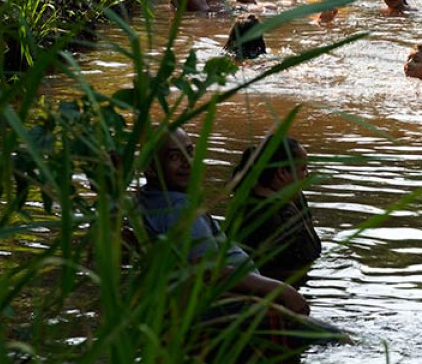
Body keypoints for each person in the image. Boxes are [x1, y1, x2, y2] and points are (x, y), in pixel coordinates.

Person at [137, 127, 320, 342]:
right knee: (336, 339)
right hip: (226, 311)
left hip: (223, 304)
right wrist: (281, 290)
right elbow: (206, 270)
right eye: (174, 157)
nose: (187, 162)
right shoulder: (178, 210)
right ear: (151, 168)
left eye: (190, 152)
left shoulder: (149, 200)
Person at [227, 133, 323, 283]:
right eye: (303, 169)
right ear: (282, 172)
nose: (307, 175)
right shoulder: (263, 217)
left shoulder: (294, 199)